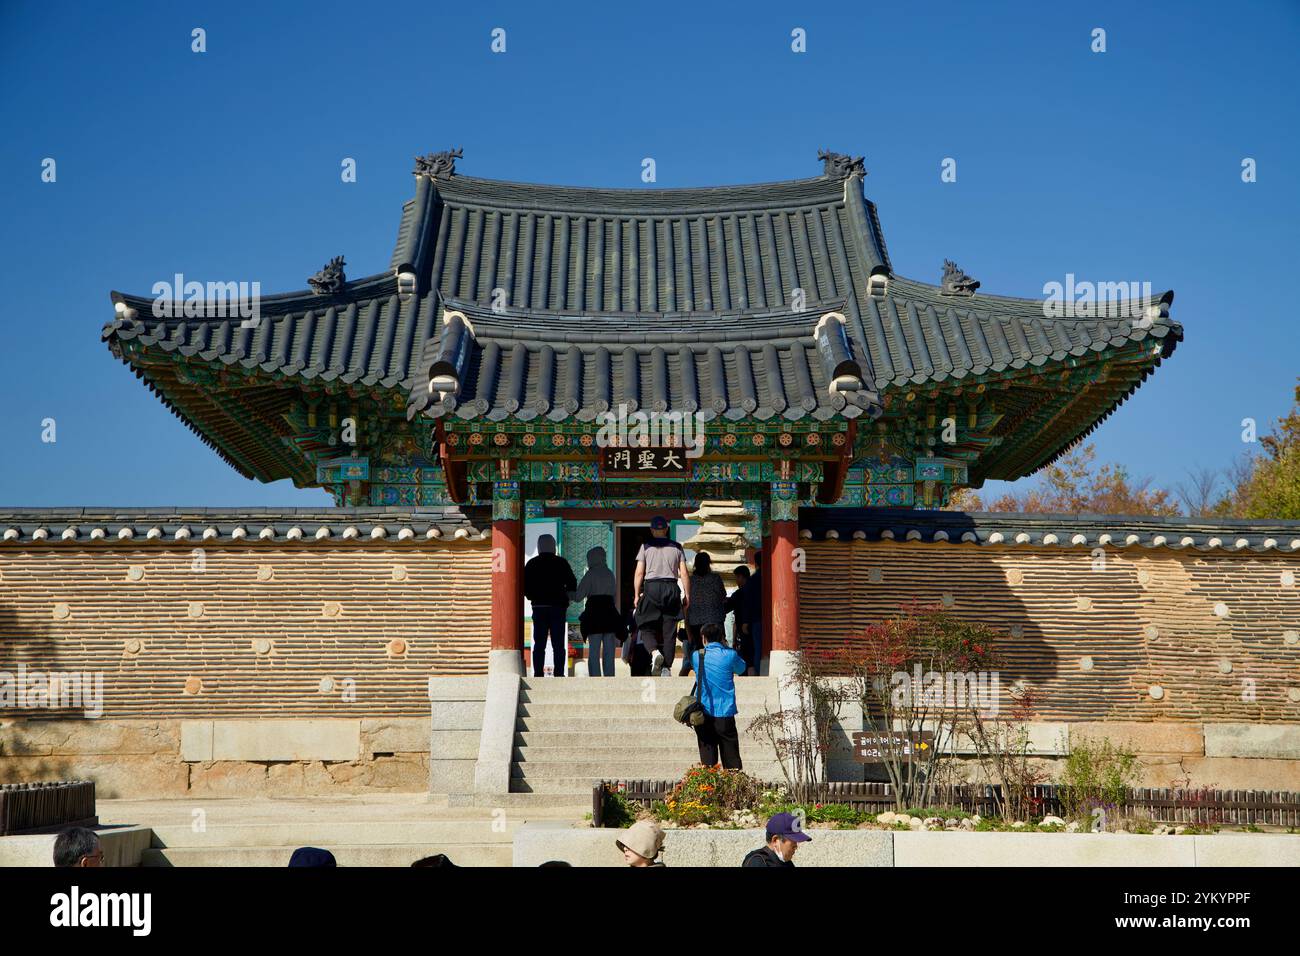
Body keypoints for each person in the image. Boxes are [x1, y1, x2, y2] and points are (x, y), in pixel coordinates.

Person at [632, 517, 690, 676]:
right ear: (666, 529)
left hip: (651, 587)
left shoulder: (645, 547)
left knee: (643, 623)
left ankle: (654, 652)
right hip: (671, 587)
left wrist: (637, 595)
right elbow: (684, 573)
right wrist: (687, 594)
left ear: (651, 530)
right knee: (669, 631)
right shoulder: (677, 547)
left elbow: (639, 573)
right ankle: (666, 668)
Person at [690, 623, 747, 769]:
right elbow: (741, 669)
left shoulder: (697, 656)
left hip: (703, 712)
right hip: (725, 711)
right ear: (722, 638)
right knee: (731, 758)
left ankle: (708, 788)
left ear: (704, 638)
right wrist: (726, 647)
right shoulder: (730, 655)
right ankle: (733, 788)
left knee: (708, 761)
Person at [524, 534, 577, 677]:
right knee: (558, 643)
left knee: (539, 643)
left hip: (539, 607)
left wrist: (532, 596)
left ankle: (538, 673)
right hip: (558, 607)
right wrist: (566, 596)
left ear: (539, 546)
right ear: (553, 546)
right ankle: (559, 673)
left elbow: (525, 586)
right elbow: (572, 583)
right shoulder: (562, 563)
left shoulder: (532, 564)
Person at [572, 545, 623, 677]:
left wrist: (567, 594)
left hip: (594, 615)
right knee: (609, 652)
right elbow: (614, 597)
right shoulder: (610, 574)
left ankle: (595, 678)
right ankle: (609, 678)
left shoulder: (590, 574)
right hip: (610, 614)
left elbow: (578, 597)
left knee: (594, 651)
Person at [679, 552, 726, 675]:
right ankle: (715, 672)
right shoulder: (715, 578)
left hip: (695, 621)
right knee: (716, 649)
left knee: (699, 650)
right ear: (709, 564)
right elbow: (723, 595)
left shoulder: (690, 580)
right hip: (714, 620)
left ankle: (700, 672)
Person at [742, 812, 811, 867]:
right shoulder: (757, 862)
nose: (796, 847)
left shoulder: (786, 863)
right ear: (775, 840)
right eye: (793, 842)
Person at [738, 551, 764, 675]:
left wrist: (745, 621)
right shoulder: (771, 576)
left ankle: (758, 671)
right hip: (769, 618)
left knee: (758, 647)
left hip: (756, 618)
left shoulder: (753, 580)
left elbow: (747, 602)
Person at [724, 564, 751, 652]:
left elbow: (727, 607)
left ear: (741, 577)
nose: (736, 581)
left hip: (744, 628)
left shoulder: (739, 593)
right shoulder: (755, 588)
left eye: (736, 578)